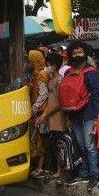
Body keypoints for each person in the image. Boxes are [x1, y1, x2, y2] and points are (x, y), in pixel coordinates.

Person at [62, 40, 99, 189]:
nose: (78, 55)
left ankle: (94, 175)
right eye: (75, 52)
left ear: (85, 53)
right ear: (71, 55)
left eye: (80, 52)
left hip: (89, 115)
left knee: (90, 146)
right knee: (80, 145)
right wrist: (67, 117)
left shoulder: (91, 73)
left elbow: (96, 96)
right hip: (74, 115)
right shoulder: (68, 73)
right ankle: (84, 173)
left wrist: (96, 117)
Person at [36, 52, 67, 180]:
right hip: (51, 118)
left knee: (60, 145)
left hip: (59, 118)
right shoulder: (51, 81)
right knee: (55, 144)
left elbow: (59, 103)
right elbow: (50, 101)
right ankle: (58, 170)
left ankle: (62, 171)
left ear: (53, 66)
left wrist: (45, 115)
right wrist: (44, 115)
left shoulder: (59, 81)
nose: (46, 67)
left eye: (47, 65)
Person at [28, 50, 48, 178]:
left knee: (40, 140)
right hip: (36, 111)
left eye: (30, 60)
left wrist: (33, 108)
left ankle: (41, 168)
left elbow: (43, 94)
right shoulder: (34, 75)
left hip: (41, 111)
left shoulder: (42, 74)